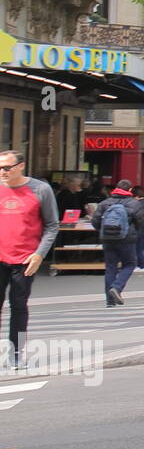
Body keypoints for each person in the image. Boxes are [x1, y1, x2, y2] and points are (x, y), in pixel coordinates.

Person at [0, 151, 60, 366]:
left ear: (21, 166)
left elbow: (52, 225)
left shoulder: (40, 189)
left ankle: (16, 354)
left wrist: (39, 254)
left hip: (25, 259)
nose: (2, 172)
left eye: (7, 168)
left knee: (18, 306)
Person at [92, 179, 144, 307]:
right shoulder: (135, 204)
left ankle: (110, 301)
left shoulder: (105, 203)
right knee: (129, 264)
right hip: (126, 239)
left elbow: (95, 221)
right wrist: (134, 232)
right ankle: (117, 288)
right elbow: (141, 222)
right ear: (129, 190)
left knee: (110, 267)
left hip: (107, 239)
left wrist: (103, 232)